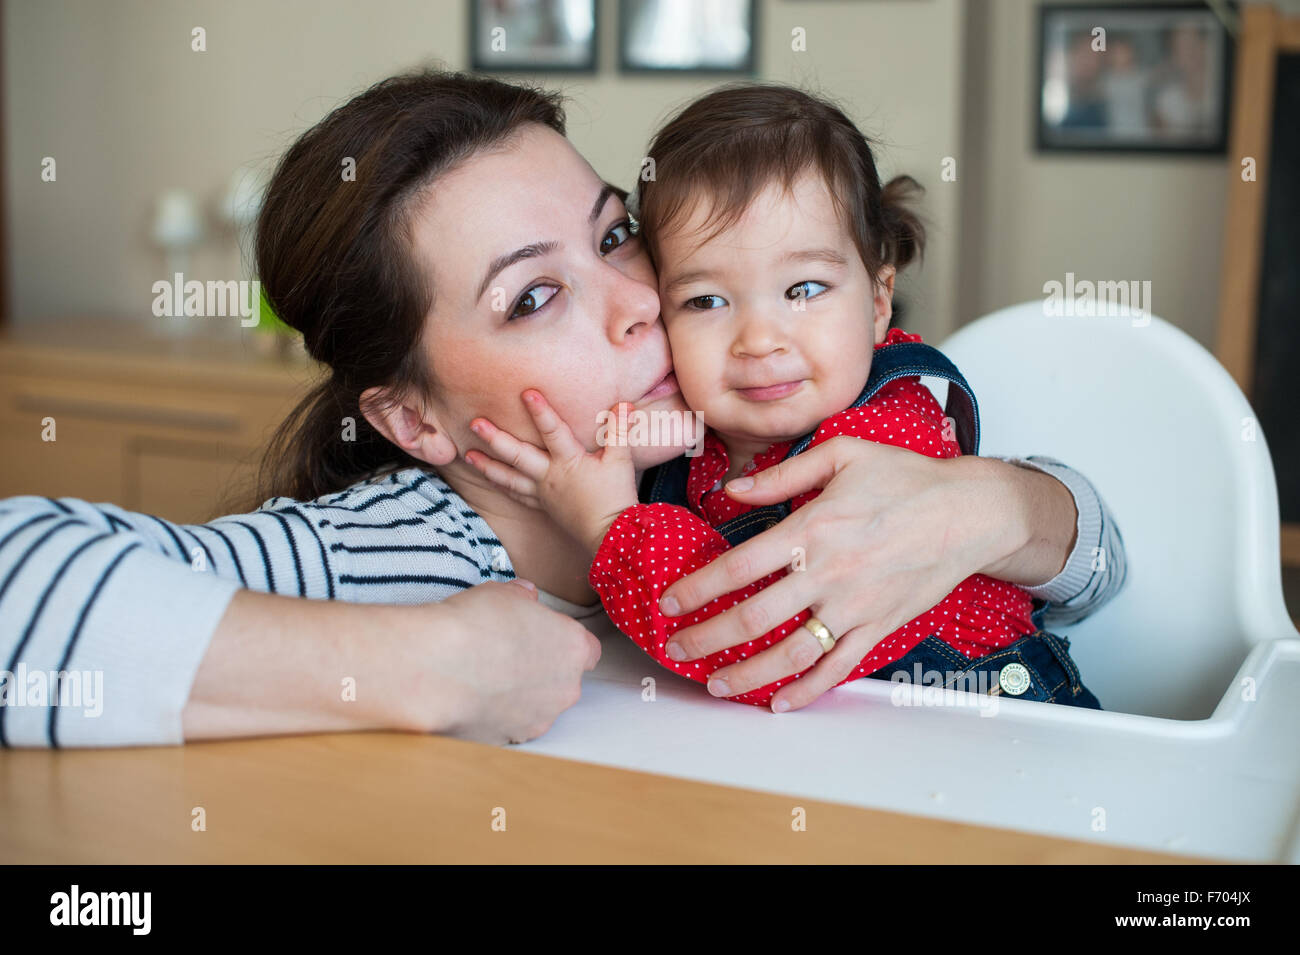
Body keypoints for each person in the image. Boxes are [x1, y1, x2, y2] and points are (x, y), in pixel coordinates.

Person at [0, 69, 1125, 749]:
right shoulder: (405, 555)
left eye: (615, 236)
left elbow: (1101, 579)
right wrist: (431, 662)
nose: (640, 304)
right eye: (534, 297)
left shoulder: (711, 449)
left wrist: (991, 507)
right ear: (415, 422)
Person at [463, 84, 1107, 709]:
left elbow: (761, 644)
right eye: (706, 301)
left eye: (804, 290)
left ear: (878, 302)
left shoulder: (887, 435)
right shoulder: (691, 433)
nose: (759, 341)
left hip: (991, 730)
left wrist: (610, 526)